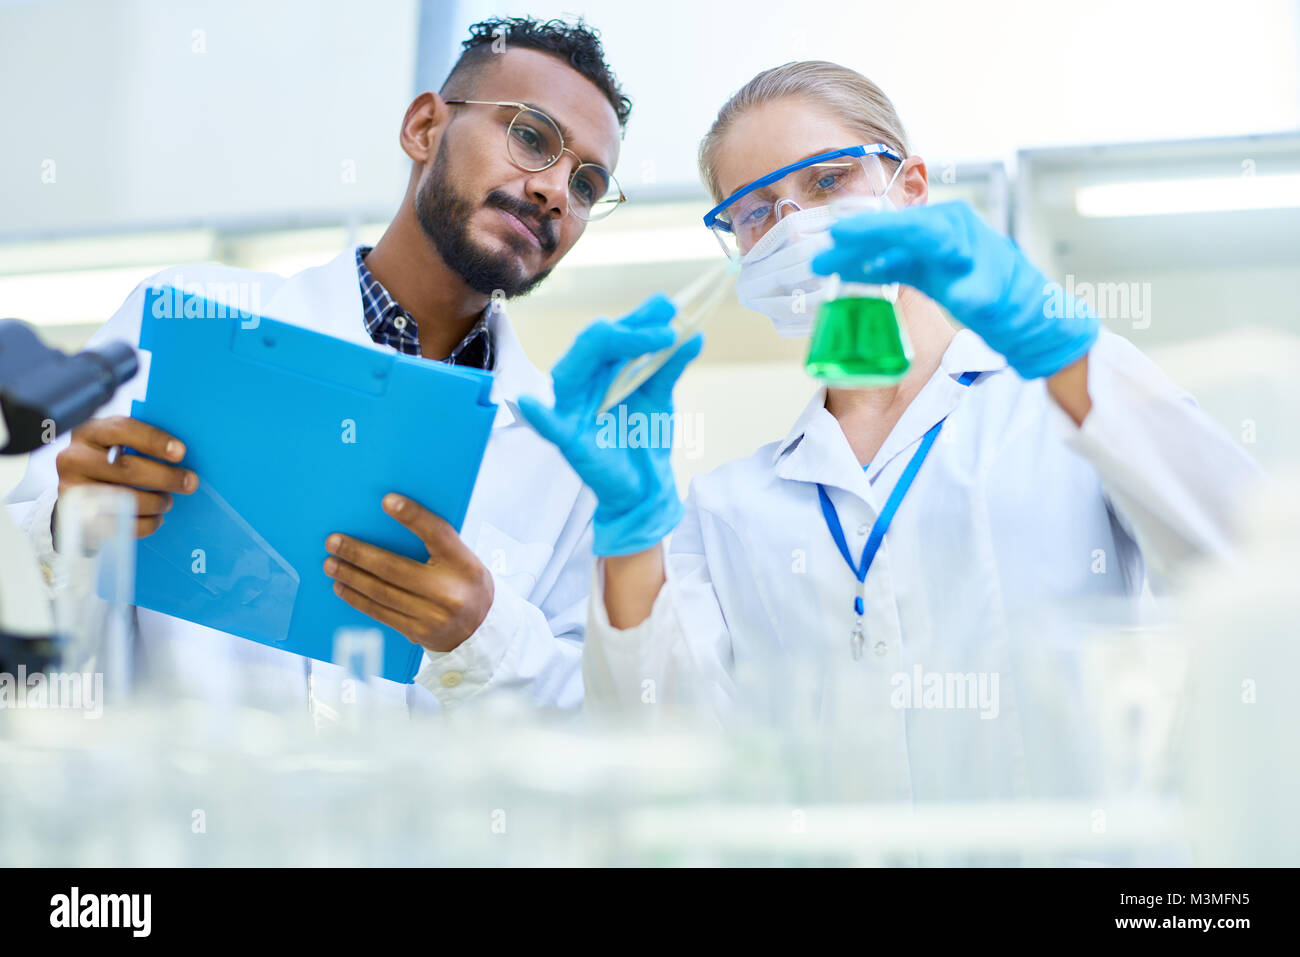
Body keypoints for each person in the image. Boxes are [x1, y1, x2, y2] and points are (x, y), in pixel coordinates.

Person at [519, 61, 1262, 799]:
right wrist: (630, 533)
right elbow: (665, 757)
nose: (796, 225)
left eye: (827, 181)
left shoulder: (1057, 405)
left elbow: (1253, 566)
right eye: (756, 210)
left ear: (909, 188)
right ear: (740, 249)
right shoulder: (726, 509)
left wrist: (1064, 349)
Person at [4, 16, 632, 717]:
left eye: (587, 183)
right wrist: (66, 528)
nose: (554, 191)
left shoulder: (567, 461)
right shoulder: (191, 318)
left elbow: (591, 726)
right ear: (424, 127)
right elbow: (20, 629)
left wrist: (481, 635)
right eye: (530, 136)